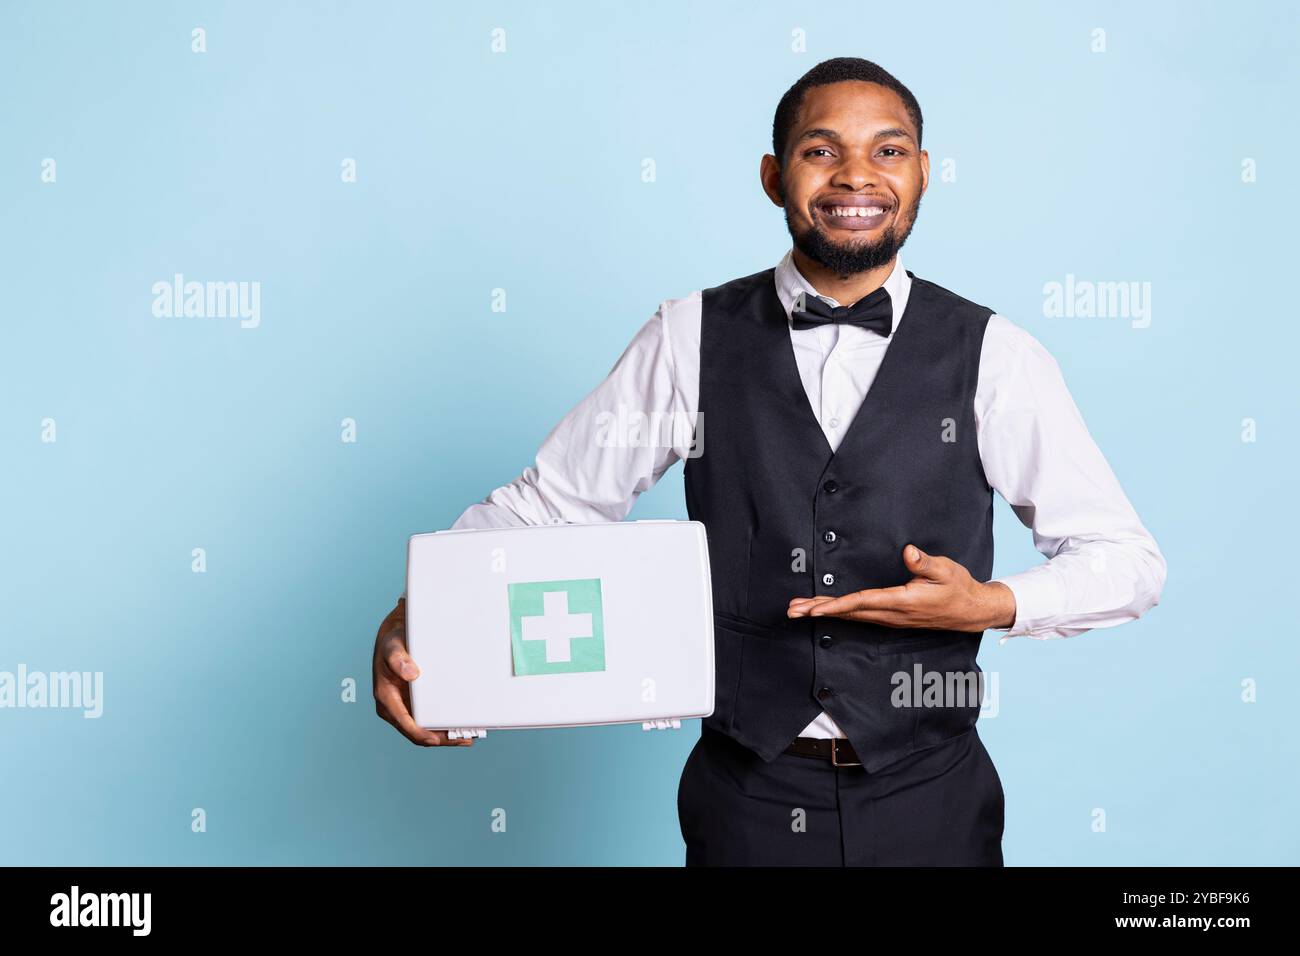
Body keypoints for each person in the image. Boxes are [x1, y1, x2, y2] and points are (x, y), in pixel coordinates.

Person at [372, 57, 1167, 866]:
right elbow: (546, 508)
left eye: (888, 151)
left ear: (924, 173)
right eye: (822, 150)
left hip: (932, 797)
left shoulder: (997, 355)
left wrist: (990, 604)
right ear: (772, 175)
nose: (857, 174)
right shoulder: (689, 336)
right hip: (745, 799)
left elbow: (1128, 564)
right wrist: (418, 619)